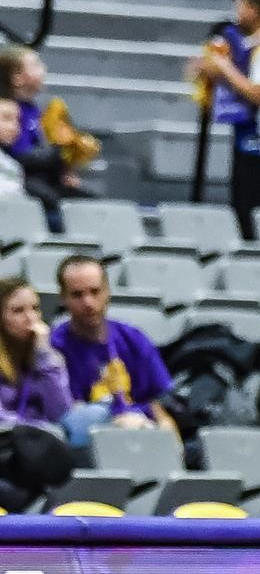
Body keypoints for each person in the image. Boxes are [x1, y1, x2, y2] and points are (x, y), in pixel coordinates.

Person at [187, 0, 260, 241]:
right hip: (248, 142)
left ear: (255, 9)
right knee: (241, 214)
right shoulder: (252, 45)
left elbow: (258, 94)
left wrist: (223, 67)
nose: (236, 8)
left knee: (253, 222)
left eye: (240, 2)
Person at [50, 256, 175, 449]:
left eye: (95, 292)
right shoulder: (54, 348)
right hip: (89, 444)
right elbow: (69, 415)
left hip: (144, 434)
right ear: (63, 297)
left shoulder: (133, 338)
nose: (88, 303)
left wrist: (171, 441)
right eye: (77, 295)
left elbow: (158, 406)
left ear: (107, 290)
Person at [0, 278, 77, 511]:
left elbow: (61, 411)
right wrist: (32, 430)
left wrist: (43, 356)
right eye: (18, 311)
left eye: (35, 308)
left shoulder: (48, 359)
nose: (31, 318)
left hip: (36, 453)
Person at [1, 46, 94, 232]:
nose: (44, 69)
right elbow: (21, 156)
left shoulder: (38, 110)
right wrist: (61, 152)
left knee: (90, 205)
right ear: (17, 77)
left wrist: (66, 165)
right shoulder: (10, 109)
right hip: (25, 180)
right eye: (36, 65)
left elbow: (45, 149)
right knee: (55, 205)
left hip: (44, 178)